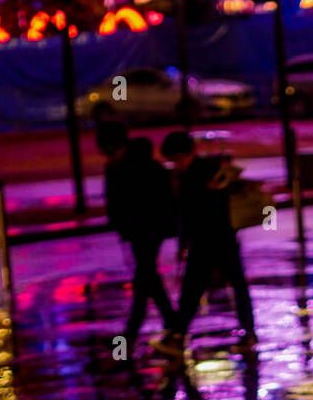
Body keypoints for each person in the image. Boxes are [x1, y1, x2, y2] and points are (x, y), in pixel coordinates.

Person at [156, 129, 256, 355]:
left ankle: (179, 336)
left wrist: (184, 242)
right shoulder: (206, 172)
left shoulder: (200, 175)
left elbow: (190, 213)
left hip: (211, 240)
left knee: (195, 289)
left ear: (188, 154)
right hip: (218, 239)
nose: (176, 164)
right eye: (173, 161)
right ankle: (247, 332)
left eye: (178, 159)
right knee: (224, 286)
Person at [96, 119, 178, 354]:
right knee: (147, 278)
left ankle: (133, 335)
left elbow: (128, 202)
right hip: (144, 231)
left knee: (145, 278)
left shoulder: (128, 167)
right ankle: (168, 324)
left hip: (145, 230)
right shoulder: (125, 164)